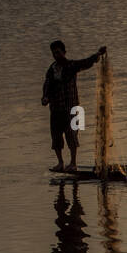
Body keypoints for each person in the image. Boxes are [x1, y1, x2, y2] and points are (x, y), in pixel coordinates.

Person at [42, 40, 107, 173]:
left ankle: (73, 163)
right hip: (55, 109)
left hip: (73, 108)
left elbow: (86, 62)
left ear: (64, 52)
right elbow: (47, 86)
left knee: (72, 136)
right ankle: (60, 163)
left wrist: (98, 54)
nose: (56, 55)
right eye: (54, 53)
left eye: (58, 52)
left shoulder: (71, 66)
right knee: (56, 138)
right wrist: (45, 97)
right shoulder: (51, 70)